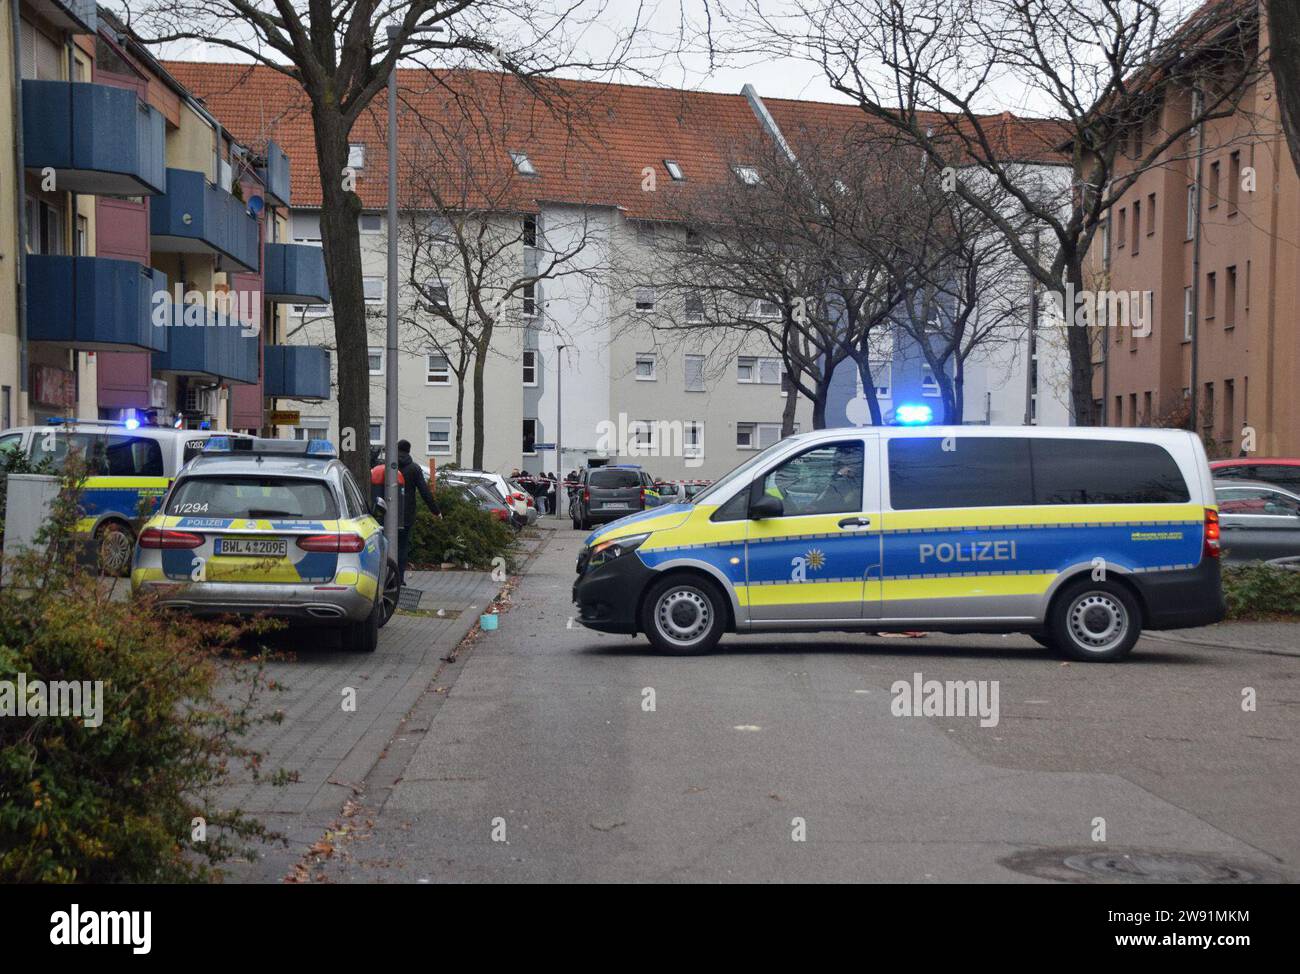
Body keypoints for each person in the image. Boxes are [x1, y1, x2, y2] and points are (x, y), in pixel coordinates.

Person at [395, 439, 441, 587]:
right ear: (409, 451)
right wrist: (436, 511)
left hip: (388, 513)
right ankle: (400, 579)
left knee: (387, 545)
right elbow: (424, 491)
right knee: (402, 547)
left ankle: (387, 577)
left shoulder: (390, 466)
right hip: (406, 514)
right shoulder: (414, 469)